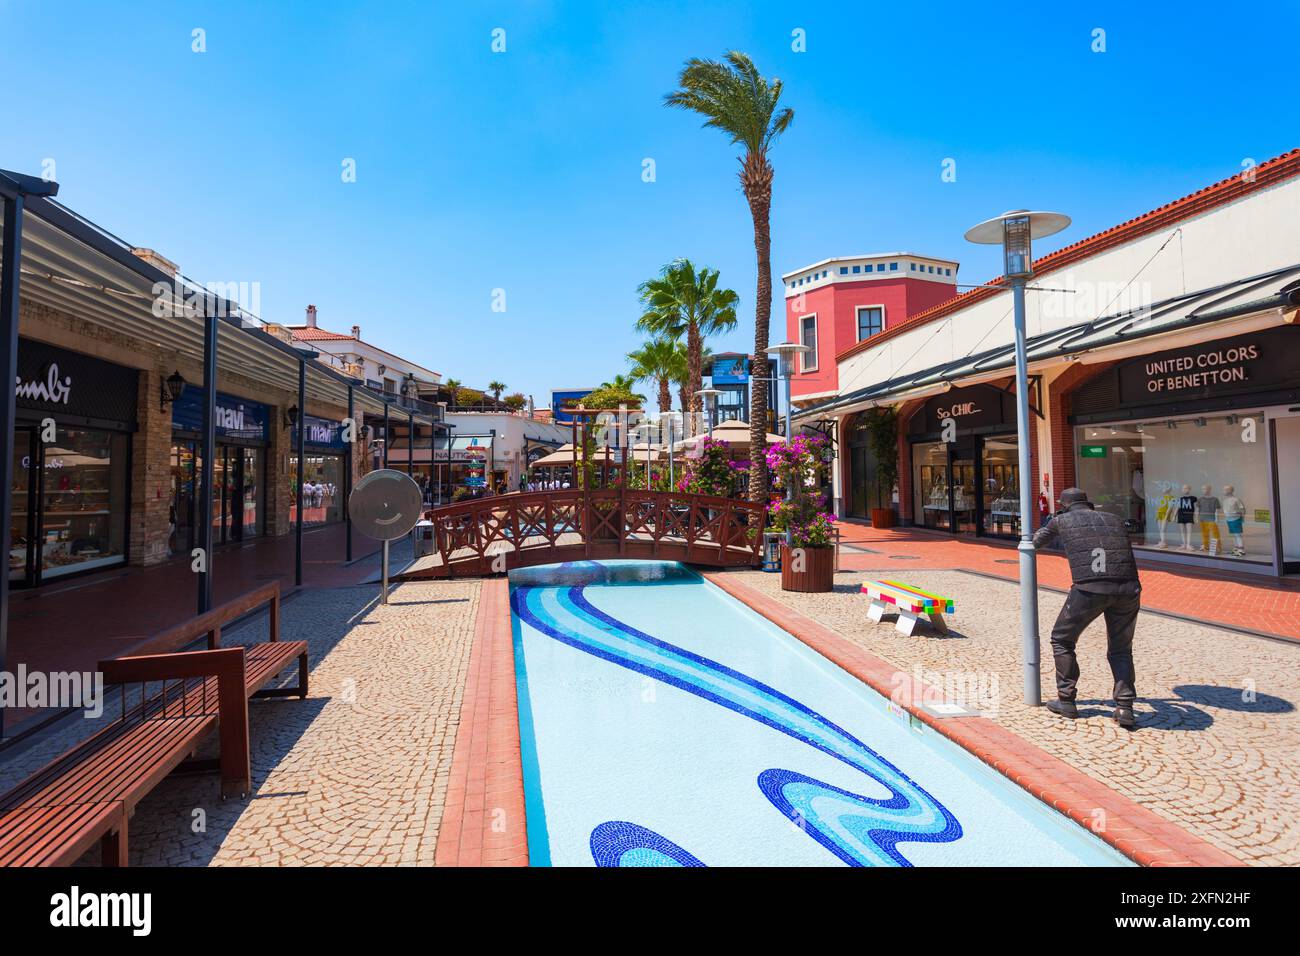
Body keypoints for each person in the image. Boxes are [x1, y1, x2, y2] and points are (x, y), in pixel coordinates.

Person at [1032, 487, 1140, 729]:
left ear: (1063, 505)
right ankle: (1125, 707)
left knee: (1062, 639)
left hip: (1089, 588)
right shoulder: (1114, 519)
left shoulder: (1061, 520)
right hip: (1128, 587)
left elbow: (1035, 542)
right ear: (1088, 503)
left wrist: (1052, 523)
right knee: (1121, 649)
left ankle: (1067, 700)